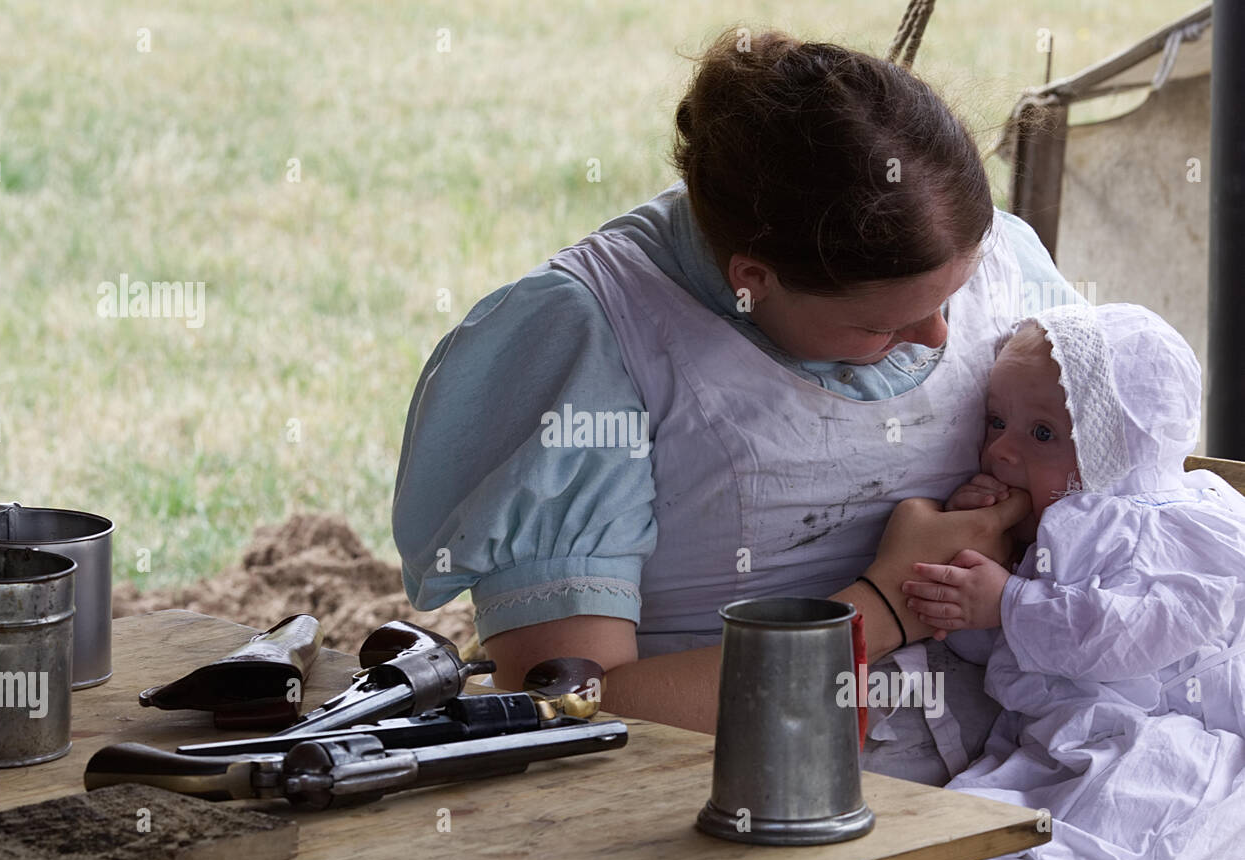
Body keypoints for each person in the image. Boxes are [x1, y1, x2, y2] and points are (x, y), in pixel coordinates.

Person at [392, 27, 1080, 783]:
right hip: (736, 802)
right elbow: (565, 713)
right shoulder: (595, 338)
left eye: (954, 293)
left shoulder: (991, 257)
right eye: (882, 325)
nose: (937, 336)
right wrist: (885, 607)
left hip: (1039, 761)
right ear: (754, 277)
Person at [901, 304, 1245, 860]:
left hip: (1178, 724)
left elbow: (1132, 633)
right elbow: (1004, 652)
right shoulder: (1064, 525)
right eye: (995, 421)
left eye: (1043, 433)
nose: (1001, 451)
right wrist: (977, 577)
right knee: (972, 829)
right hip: (1072, 733)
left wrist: (1009, 602)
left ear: (1119, 448)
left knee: (1124, 819)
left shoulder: (1162, 525)